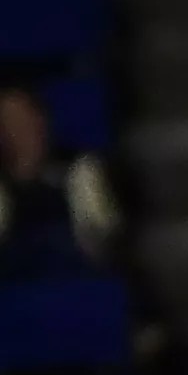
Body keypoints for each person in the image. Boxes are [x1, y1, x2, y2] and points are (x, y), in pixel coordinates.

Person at [0, 83, 115, 273]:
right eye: (8, 123)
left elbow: (107, 244)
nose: (18, 132)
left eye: (24, 120)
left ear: (42, 121)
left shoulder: (82, 172)